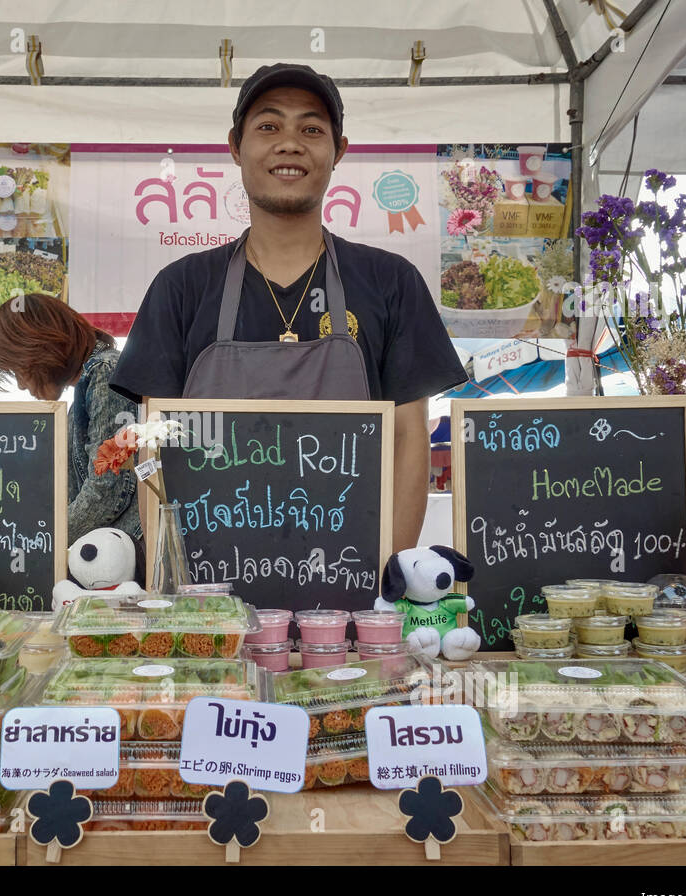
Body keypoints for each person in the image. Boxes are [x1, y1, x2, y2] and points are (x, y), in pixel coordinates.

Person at [110, 63, 467, 552]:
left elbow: (409, 439)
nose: (290, 143)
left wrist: (388, 578)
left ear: (338, 151)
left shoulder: (391, 282)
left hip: (352, 585)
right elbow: (155, 444)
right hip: (212, 593)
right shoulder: (181, 287)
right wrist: (174, 583)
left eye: (312, 129)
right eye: (269, 126)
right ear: (236, 146)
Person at [0, 293, 141, 544]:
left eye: (18, 369)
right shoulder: (90, 382)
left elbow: (108, 490)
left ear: (40, 348)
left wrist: (42, 542)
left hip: (119, 561)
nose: (21, 384)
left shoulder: (104, 374)